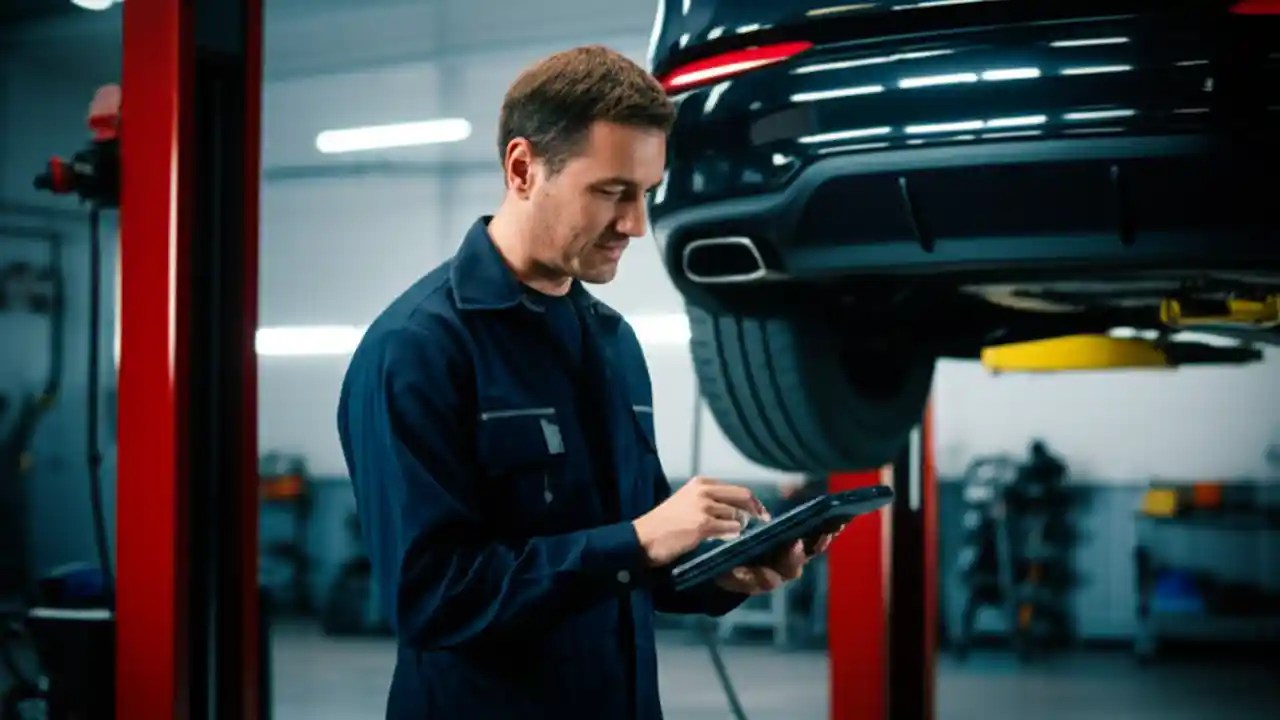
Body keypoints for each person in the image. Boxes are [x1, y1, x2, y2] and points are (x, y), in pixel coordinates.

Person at [337, 45, 840, 720]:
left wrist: (724, 573)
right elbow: (433, 599)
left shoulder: (611, 342)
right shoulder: (419, 349)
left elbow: (633, 561)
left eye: (647, 194)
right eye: (612, 192)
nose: (635, 224)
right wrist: (635, 542)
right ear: (523, 168)